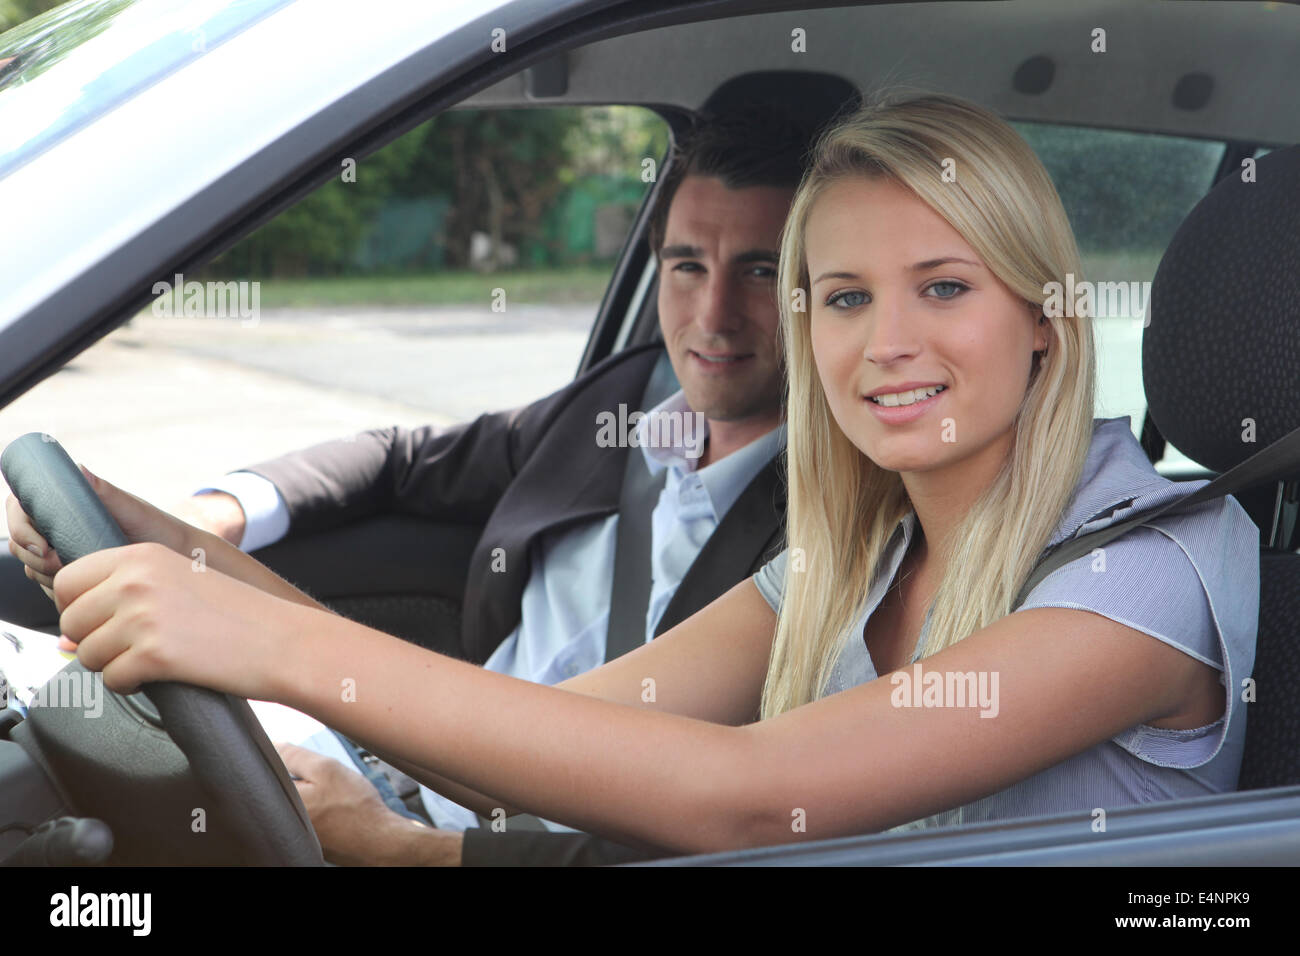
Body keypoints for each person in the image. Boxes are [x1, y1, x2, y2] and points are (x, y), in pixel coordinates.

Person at [11, 92, 1258, 856]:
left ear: (1046, 314)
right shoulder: (853, 557)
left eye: (943, 287)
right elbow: (549, 735)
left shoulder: (1148, 574)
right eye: (841, 296)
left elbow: (755, 802)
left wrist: (265, 651)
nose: (885, 345)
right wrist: (180, 551)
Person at [7, 105, 842, 865]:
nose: (714, 315)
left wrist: (402, 847)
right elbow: (405, 463)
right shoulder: (622, 399)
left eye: (763, 273)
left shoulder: (828, 549)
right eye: (686, 265)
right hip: (414, 774)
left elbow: (630, 796)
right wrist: (191, 528)